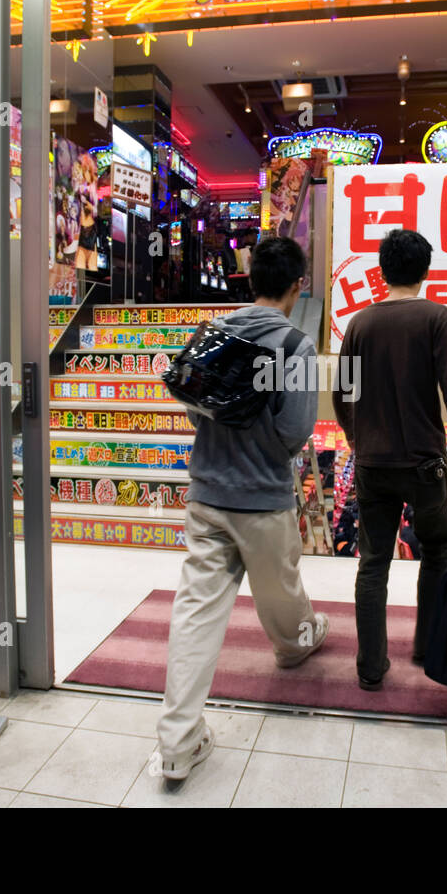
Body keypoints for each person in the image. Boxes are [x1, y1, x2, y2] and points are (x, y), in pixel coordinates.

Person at [156, 236, 329, 780]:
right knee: (280, 590)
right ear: (297, 286)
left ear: (249, 279)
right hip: (262, 501)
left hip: (207, 495)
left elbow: (192, 404)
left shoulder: (212, 333)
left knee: (196, 613)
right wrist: (262, 443)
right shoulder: (296, 347)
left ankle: (178, 745)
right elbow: (297, 432)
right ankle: (297, 644)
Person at [334, 228, 447, 691]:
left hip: (373, 464)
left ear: (382, 272)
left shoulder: (360, 324)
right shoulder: (436, 317)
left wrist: (357, 437)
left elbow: (342, 392)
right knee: (437, 550)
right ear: (425, 271)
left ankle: (370, 666)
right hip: (425, 466)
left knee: (373, 561)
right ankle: (428, 646)